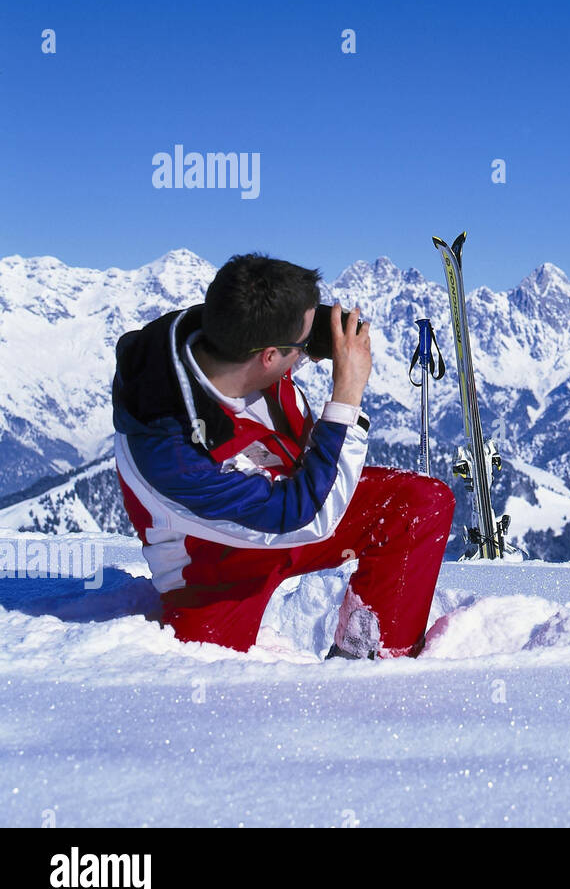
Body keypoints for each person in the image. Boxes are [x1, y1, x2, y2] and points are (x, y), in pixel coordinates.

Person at [112, 253, 454, 658]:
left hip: (285, 497)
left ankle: (369, 662)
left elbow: (277, 324)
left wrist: (325, 333)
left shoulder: (223, 333)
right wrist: (347, 397)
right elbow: (307, 517)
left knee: (418, 505)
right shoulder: (177, 457)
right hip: (212, 565)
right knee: (208, 678)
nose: (308, 351)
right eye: (303, 345)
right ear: (269, 355)